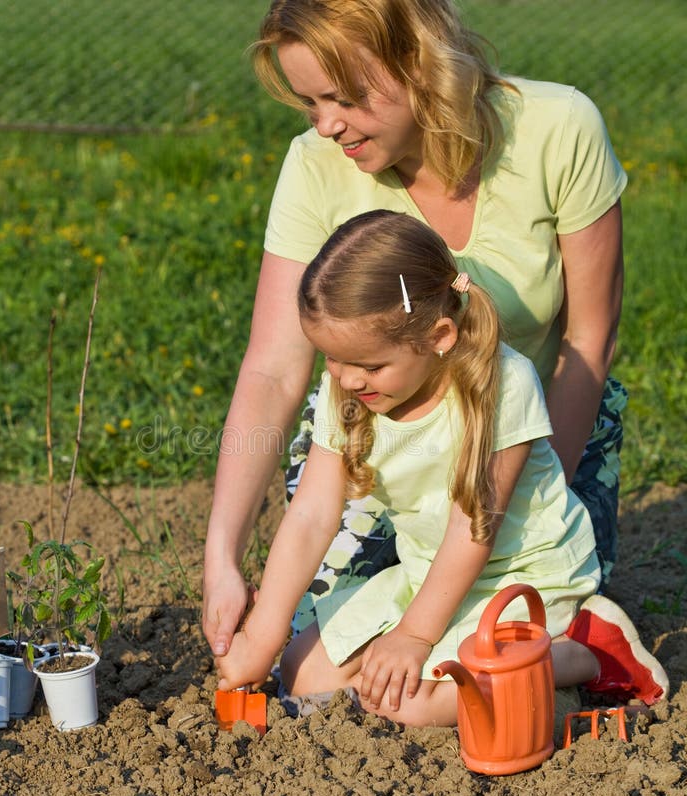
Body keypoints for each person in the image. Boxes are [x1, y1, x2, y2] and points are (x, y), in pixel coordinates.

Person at [203, 0, 628, 660]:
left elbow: (589, 337)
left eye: (342, 97)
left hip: (532, 431)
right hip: (388, 434)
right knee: (313, 651)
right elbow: (272, 368)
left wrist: (538, 500)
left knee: (486, 638)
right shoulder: (316, 163)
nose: (326, 125)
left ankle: (575, 646)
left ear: (418, 61)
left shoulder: (559, 128)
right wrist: (222, 553)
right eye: (309, 102)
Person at [214, 210, 667, 724]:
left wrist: (413, 637)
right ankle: (493, 669)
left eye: (369, 365)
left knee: (405, 702)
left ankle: (589, 653)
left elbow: (471, 528)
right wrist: (264, 632)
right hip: (430, 570)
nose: (346, 379)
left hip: (523, 576)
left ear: (441, 336)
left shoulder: (501, 385)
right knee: (303, 672)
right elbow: (312, 515)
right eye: (331, 360)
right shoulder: (351, 390)